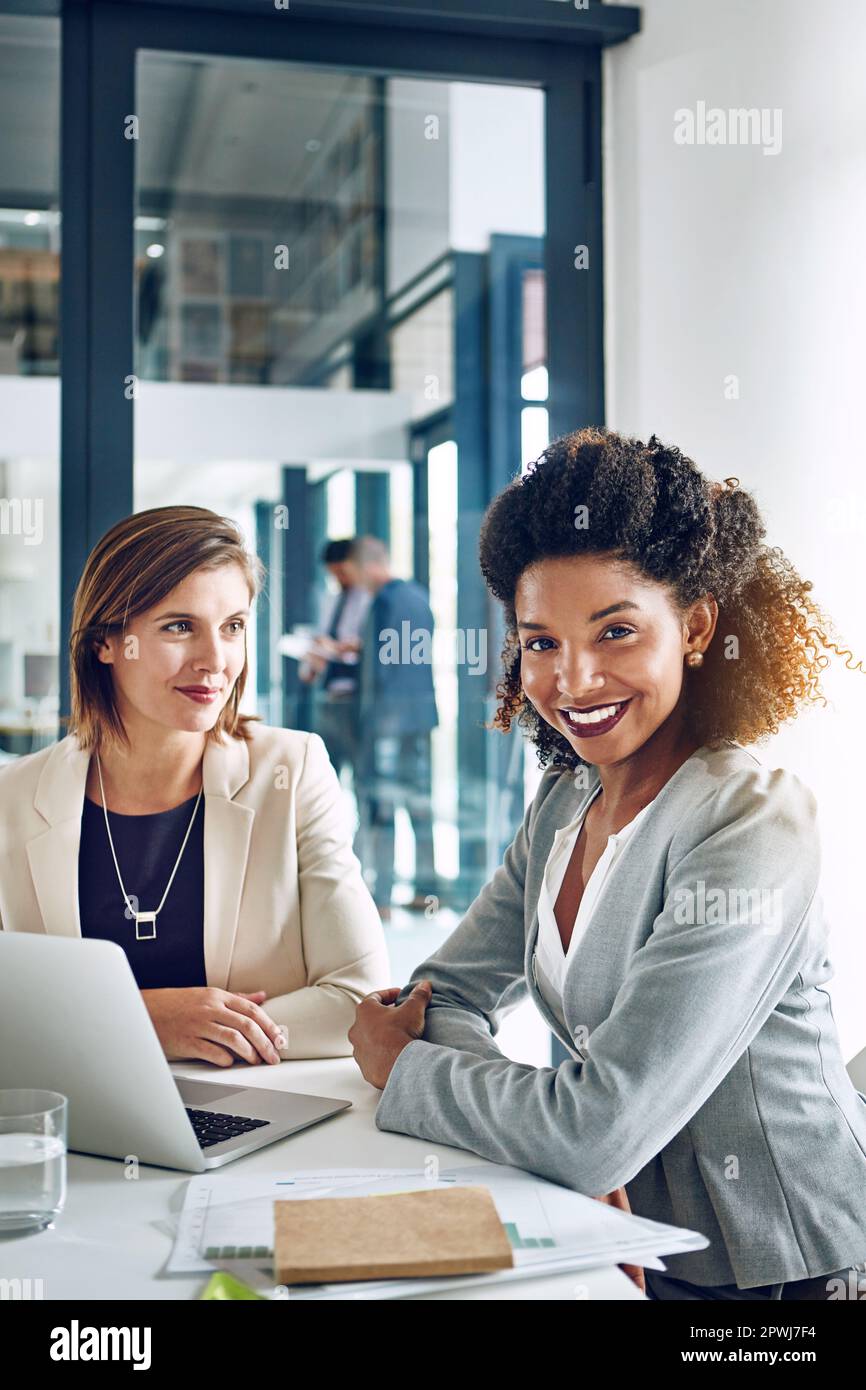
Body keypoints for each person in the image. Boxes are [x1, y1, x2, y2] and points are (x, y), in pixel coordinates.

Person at [349, 427, 866, 1300]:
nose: (573, 680)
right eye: (541, 642)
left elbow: (592, 1128)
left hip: (778, 1273)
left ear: (696, 625)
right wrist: (562, 1136)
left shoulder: (750, 822)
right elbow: (442, 994)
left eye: (616, 631)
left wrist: (408, 1072)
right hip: (614, 1236)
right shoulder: (565, 802)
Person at [0, 506, 388, 1066]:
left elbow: (360, 999)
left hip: (259, 1118)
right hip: (75, 1124)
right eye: (179, 626)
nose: (215, 661)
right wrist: (145, 1023)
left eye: (232, 626)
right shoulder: (13, 799)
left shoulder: (292, 770)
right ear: (105, 643)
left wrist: (194, 1030)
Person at [349, 535, 441, 921]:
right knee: (419, 807)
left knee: (380, 808)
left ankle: (381, 897)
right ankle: (427, 890)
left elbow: (379, 671)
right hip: (419, 720)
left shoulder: (383, 602)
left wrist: (367, 722)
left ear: (367, 566)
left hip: (386, 720)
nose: (355, 582)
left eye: (354, 573)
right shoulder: (419, 597)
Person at [299, 538, 370, 799]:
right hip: (328, 696)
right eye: (333, 573)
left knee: (361, 771)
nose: (339, 578)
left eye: (342, 571)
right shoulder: (331, 599)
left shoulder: (369, 601)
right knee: (326, 773)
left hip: (355, 699)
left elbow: (367, 649)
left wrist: (342, 649)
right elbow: (322, 636)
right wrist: (311, 663)